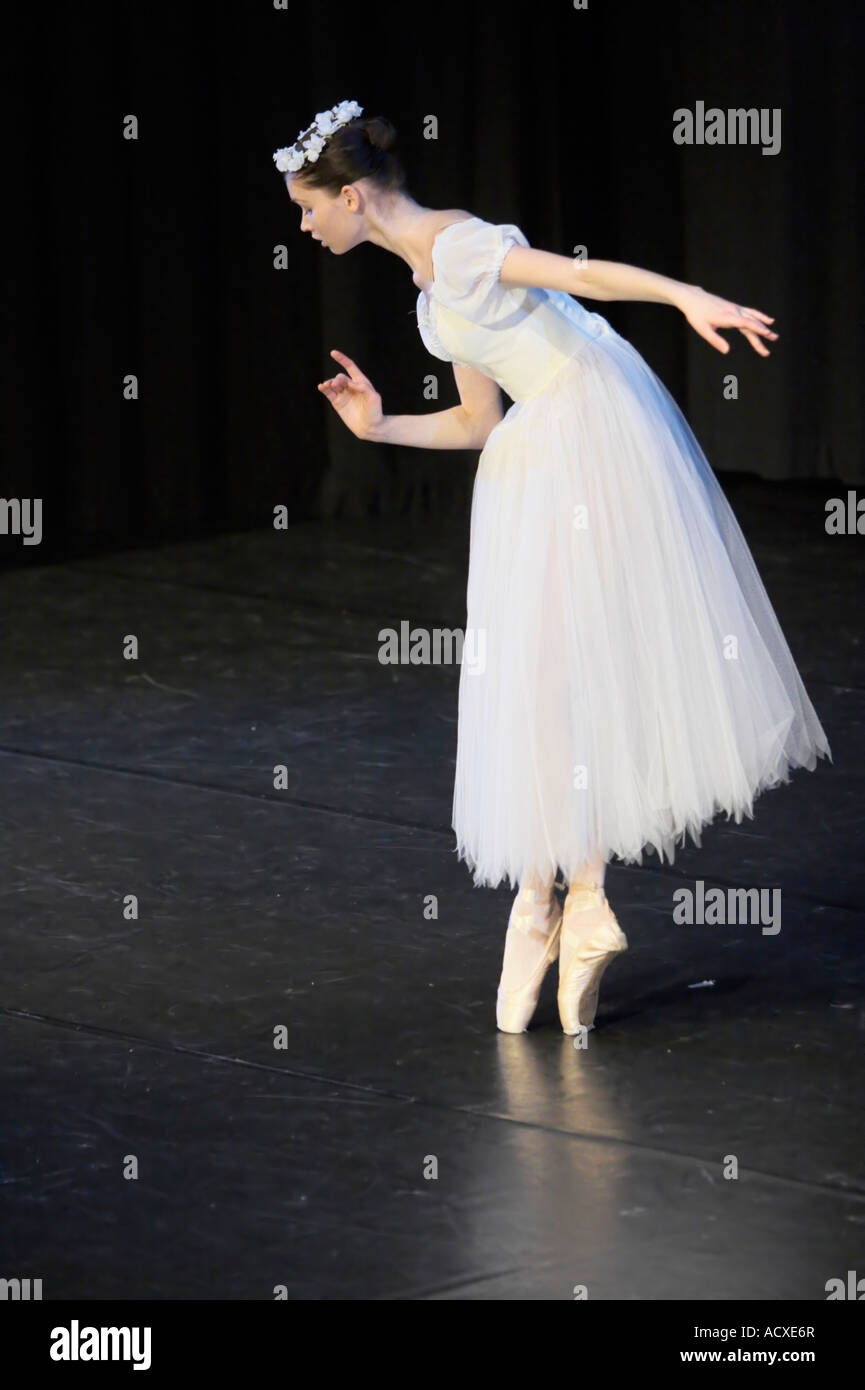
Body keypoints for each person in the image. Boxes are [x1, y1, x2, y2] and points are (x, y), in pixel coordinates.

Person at [273, 102, 831, 1037]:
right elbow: (477, 422)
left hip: (592, 428)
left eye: (307, 207)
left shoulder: (457, 248)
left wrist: (685, 295)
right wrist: (377, 429)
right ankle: (568, 902)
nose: (303, 225)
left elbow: (582, 276)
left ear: (356, 198)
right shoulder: (426, 293)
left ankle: (555, 905)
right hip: (534, 441)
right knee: (539, 673)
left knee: (565, 662)